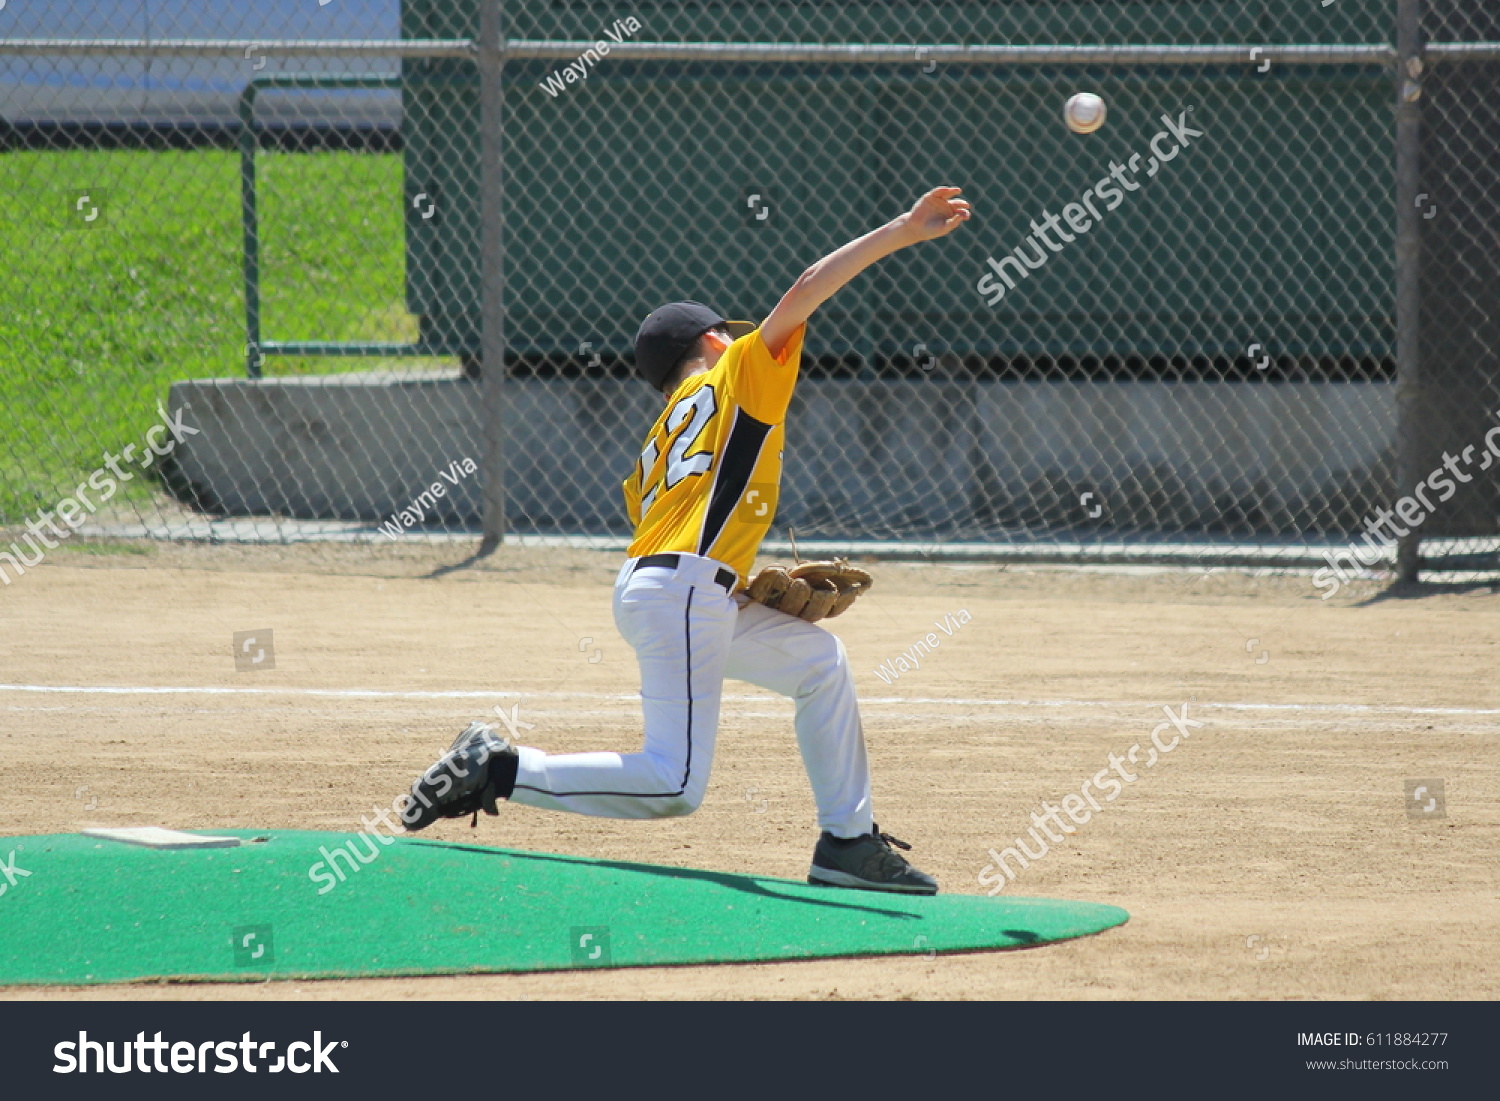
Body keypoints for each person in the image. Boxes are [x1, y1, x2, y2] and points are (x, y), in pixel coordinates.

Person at [398, 186, 972, 894]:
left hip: (671, 586)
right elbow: (803, 290)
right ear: (708, 342)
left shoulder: (662, 430)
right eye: (726, 332)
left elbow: (678, 520)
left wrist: (728, 582)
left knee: (819, 661)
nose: (737, 337)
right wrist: (902, 230)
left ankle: (848, 841)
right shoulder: (737, 371)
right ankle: (499, 767)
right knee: (675, 782)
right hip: (684, 592)